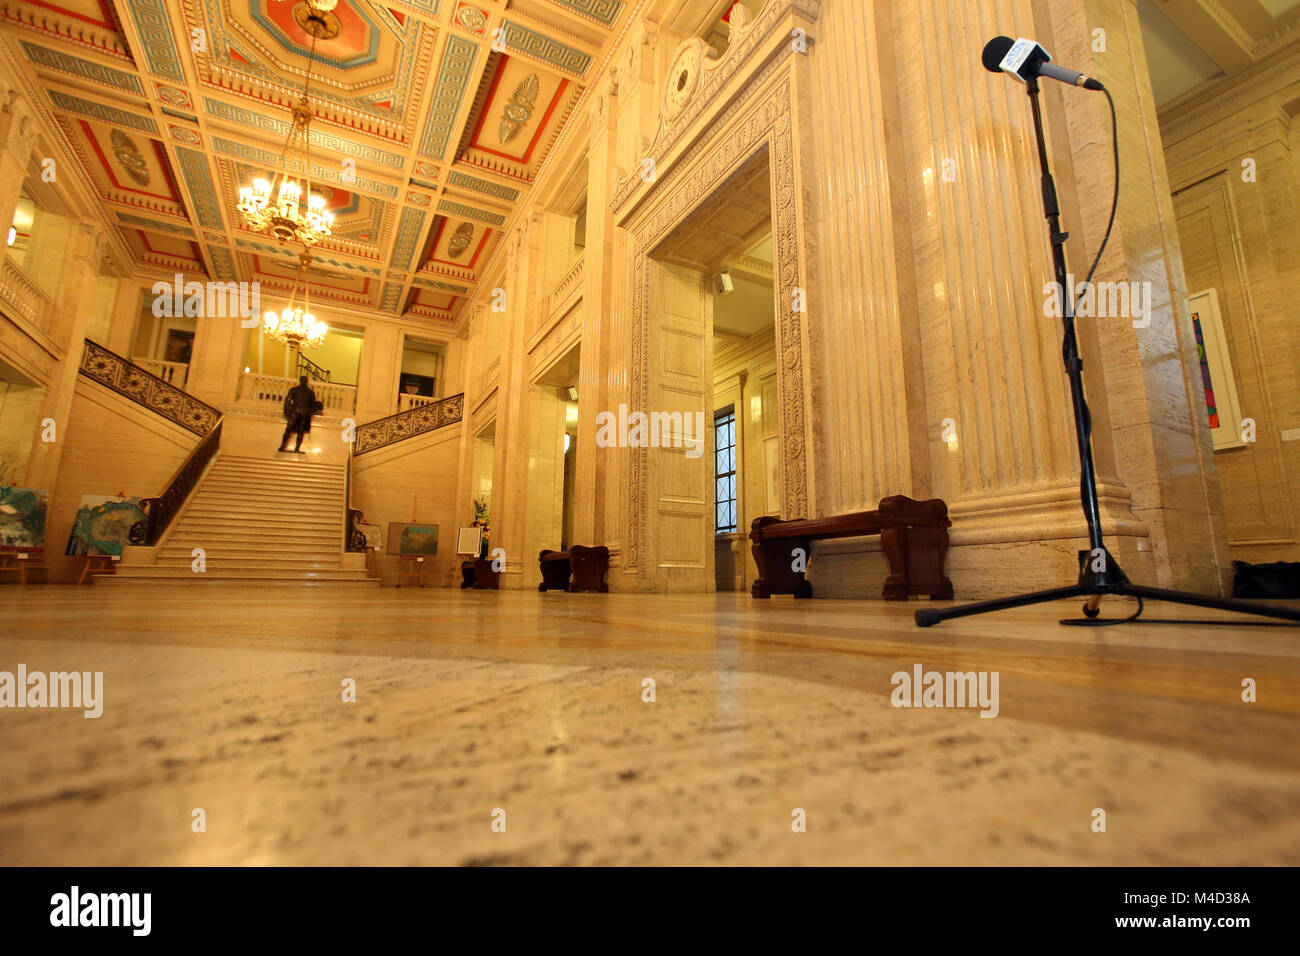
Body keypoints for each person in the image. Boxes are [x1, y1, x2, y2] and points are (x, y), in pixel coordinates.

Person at [279, 375, 317, 454]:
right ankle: (296, 448)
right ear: (307, 382)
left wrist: (286, 411)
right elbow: (313, 406)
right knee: (300, 431)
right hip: (304, 414)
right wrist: (308, 410)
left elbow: (288, 401)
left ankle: (283, 446)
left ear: (300, 381)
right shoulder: (311, 393)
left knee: (288, 430)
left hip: (294, 413)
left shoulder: (294, 390)